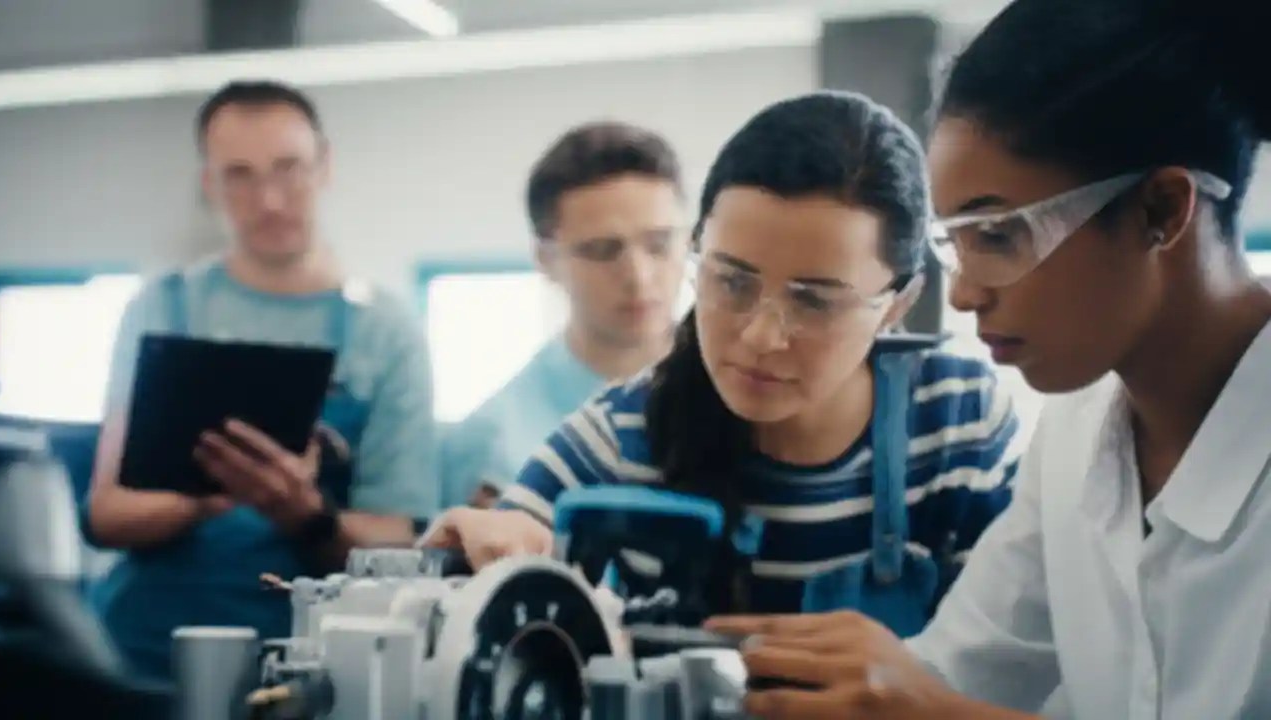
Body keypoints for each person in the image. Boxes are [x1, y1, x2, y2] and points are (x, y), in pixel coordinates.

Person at [704, 0, 1271, 718]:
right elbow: (955, 671)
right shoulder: (1075, 437)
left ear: (1161, 211)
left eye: (1000, 236)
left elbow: (939, 705)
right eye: (956, 244)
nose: (967, 293)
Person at [424, 92, 1023, 626]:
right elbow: (475, 581)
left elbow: (1022, 667)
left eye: (814, 301)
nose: (761, 337)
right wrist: (474, 552)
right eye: (731, 282)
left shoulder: (959, 423)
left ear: (898, 305)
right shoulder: (621, 434)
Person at [85, 80, 438, 681]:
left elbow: (396, 545)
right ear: (209, 186)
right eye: (239, 175)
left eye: (289, 168)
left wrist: (306, 514)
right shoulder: (161, 309)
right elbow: (109, 512)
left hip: (304, 661)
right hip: (140, 650)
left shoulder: (386, 331)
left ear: (325, 166)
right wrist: (207, 493)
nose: (270, 199)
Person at [439, 122, 687, 507]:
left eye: (659, 244)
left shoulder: (751, 399)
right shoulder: (492, 445)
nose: (639, 276)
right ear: (546, 260)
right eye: (603, 250)